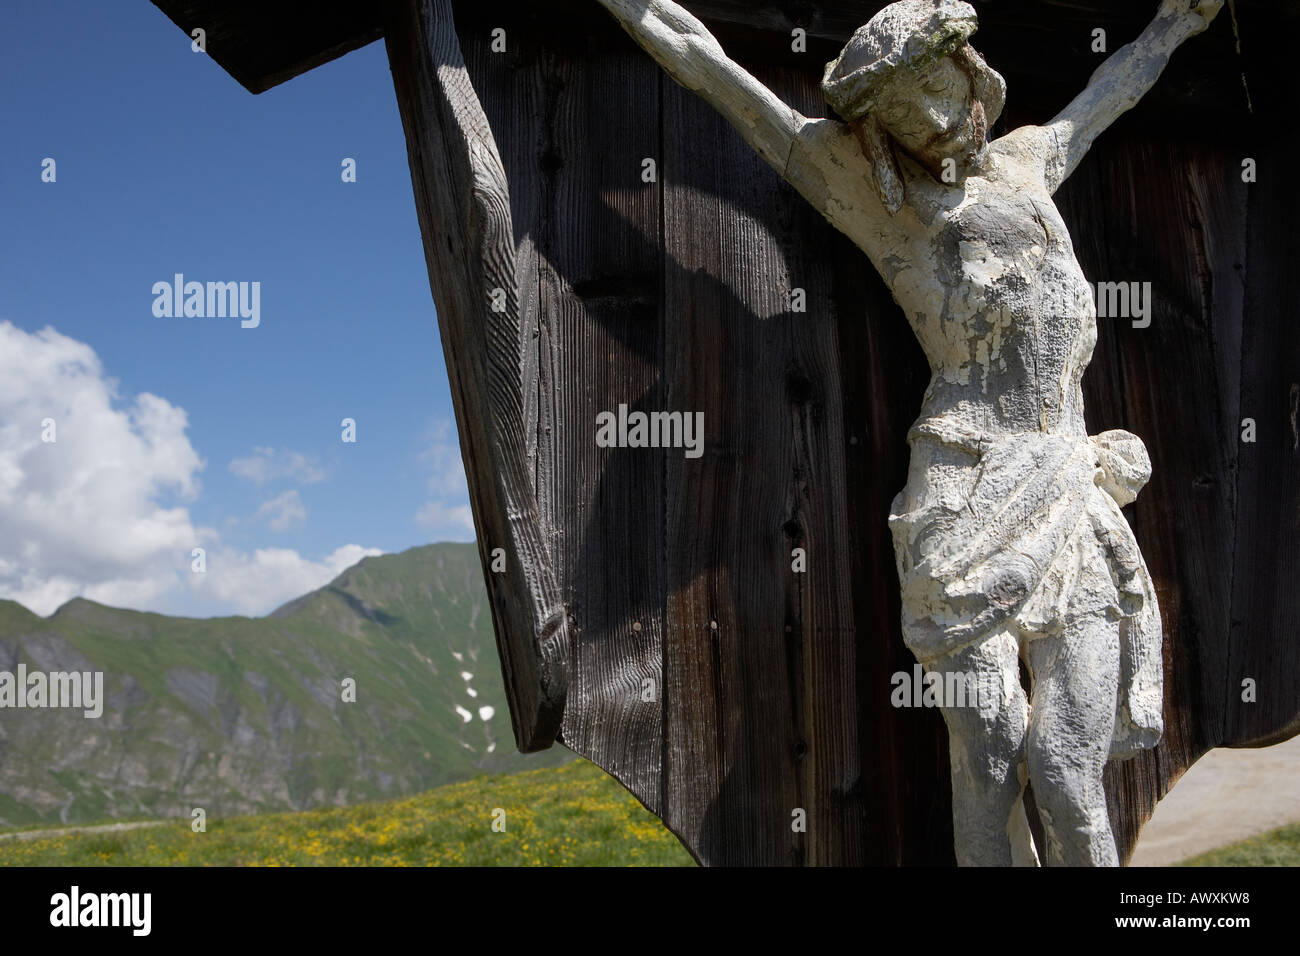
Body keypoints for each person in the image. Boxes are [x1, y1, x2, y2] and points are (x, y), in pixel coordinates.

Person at [594, 0, 1224, 865]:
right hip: (963, 499)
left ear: (970, 73)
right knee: (992, 760)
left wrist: (1175, 26)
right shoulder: (872, 198)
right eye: (900, 112)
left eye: (934, 86)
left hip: (1069, 494)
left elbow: (1108, 93)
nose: (930, 121)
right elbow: (711, 71)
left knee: (1069, 768)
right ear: (879, 133)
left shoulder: (1030, 161)